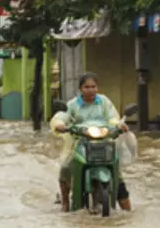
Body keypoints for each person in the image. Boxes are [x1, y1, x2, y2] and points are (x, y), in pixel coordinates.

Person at [54, 72, 132, 212]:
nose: (91, 90)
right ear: (80, 89)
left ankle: (128, 212)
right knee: (65, 167)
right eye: (87, 87)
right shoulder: (73, 105)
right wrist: (60, 124)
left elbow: (113, 117)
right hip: (80, 143)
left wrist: (119, 125)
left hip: (104, 142)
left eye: (93, 86)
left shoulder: (104, 101)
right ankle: (65, 201)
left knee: (118, 175)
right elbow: (62, 116)